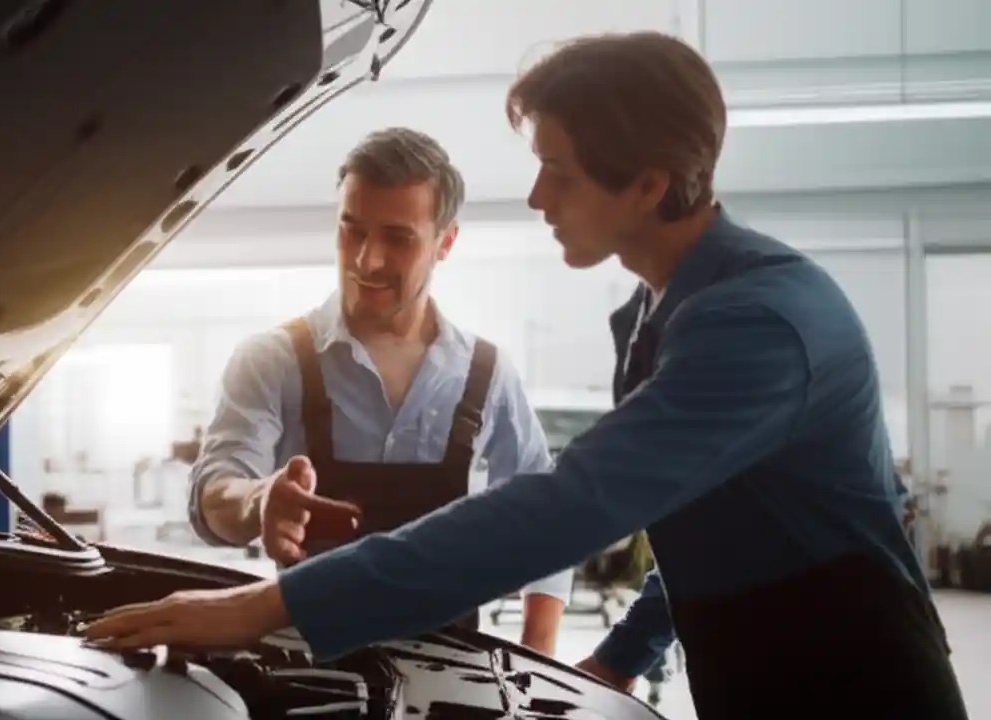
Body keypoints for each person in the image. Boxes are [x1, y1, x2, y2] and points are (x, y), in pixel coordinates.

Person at [84, 32, 968, 719]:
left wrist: (262, 606)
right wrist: (628, 652)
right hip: (755, 677)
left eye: (559, 171)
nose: (539, 197)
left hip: (855, 688)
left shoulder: (758, 328)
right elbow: (712, 522)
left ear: (649, 185)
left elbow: (563, 509)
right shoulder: (662, 316)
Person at [182, 127, 574, 655]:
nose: (368, 260)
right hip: (309, 682)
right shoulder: (272, 359)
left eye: (398, 237)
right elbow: (216, 489)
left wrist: (538, 660)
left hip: (453, 688)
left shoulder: (487, 373)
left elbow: (546, 519)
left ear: (446, 242)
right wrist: (257, 501)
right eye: (353, 231)